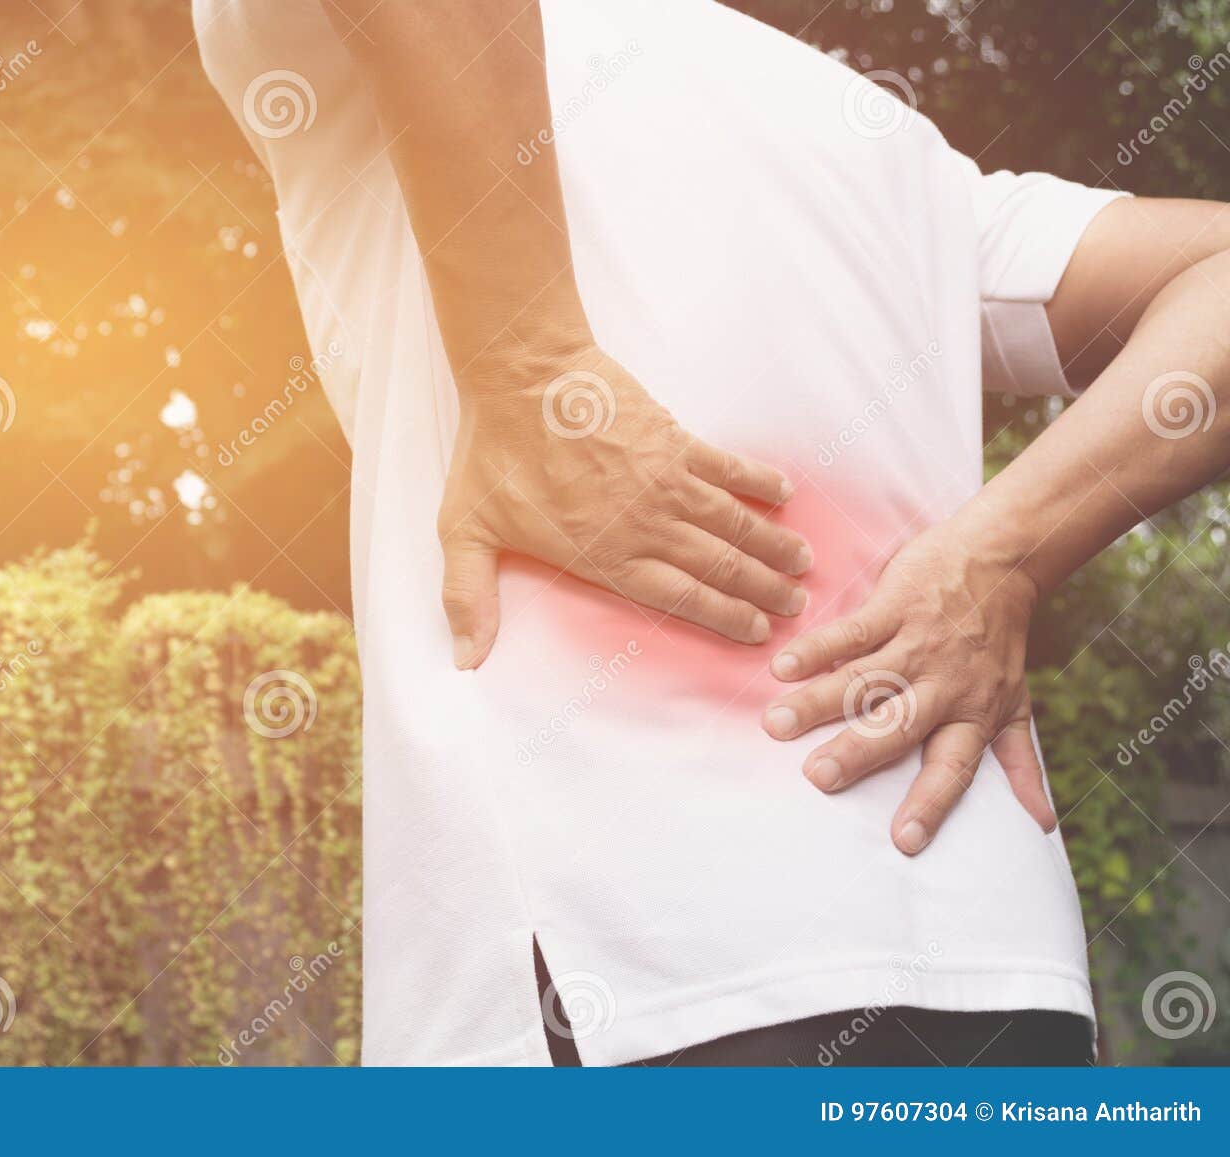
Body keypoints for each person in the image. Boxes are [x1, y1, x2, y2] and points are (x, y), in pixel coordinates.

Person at [195, 0, 1230, 1065]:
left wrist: (534, 366)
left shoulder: (892, 152)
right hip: (993, 963)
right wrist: (1007, 551)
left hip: (634, 966)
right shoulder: (887, 145)